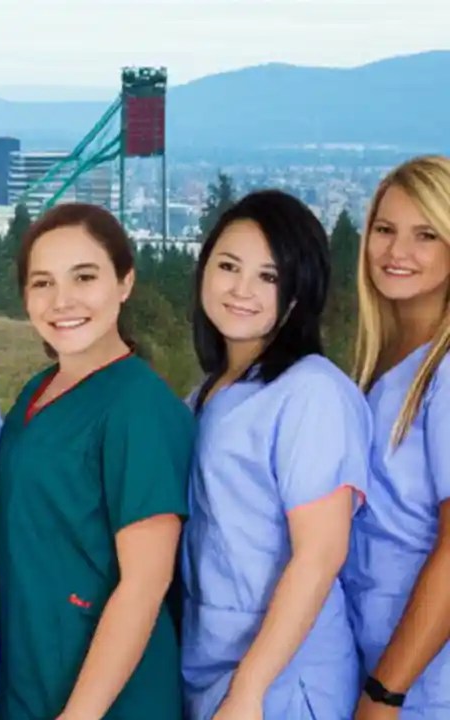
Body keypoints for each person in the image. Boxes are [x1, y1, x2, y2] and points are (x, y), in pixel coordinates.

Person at [0, 202, 192, 719]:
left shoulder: (139, 407)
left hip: (107, 699)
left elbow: (145, 585)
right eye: (42, 283)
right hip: (32, 672)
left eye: (84, 277)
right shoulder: (38, 391)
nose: (62, 300)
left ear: (125, 282)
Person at [180, 190, 368, 719]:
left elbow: (319, 555)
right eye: (228, 266)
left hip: (282, 680)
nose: (242, 289)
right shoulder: (207, 393)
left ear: (299, 291)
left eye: (268, 276)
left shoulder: (311, 393)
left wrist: (250, 689)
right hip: (210, 661)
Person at [346, 155, 450, 719]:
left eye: (425, 235)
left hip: (423, 688)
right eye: (385, 229)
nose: (396, 251)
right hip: (372, 660)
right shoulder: (382, 362)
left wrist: (386, 693)